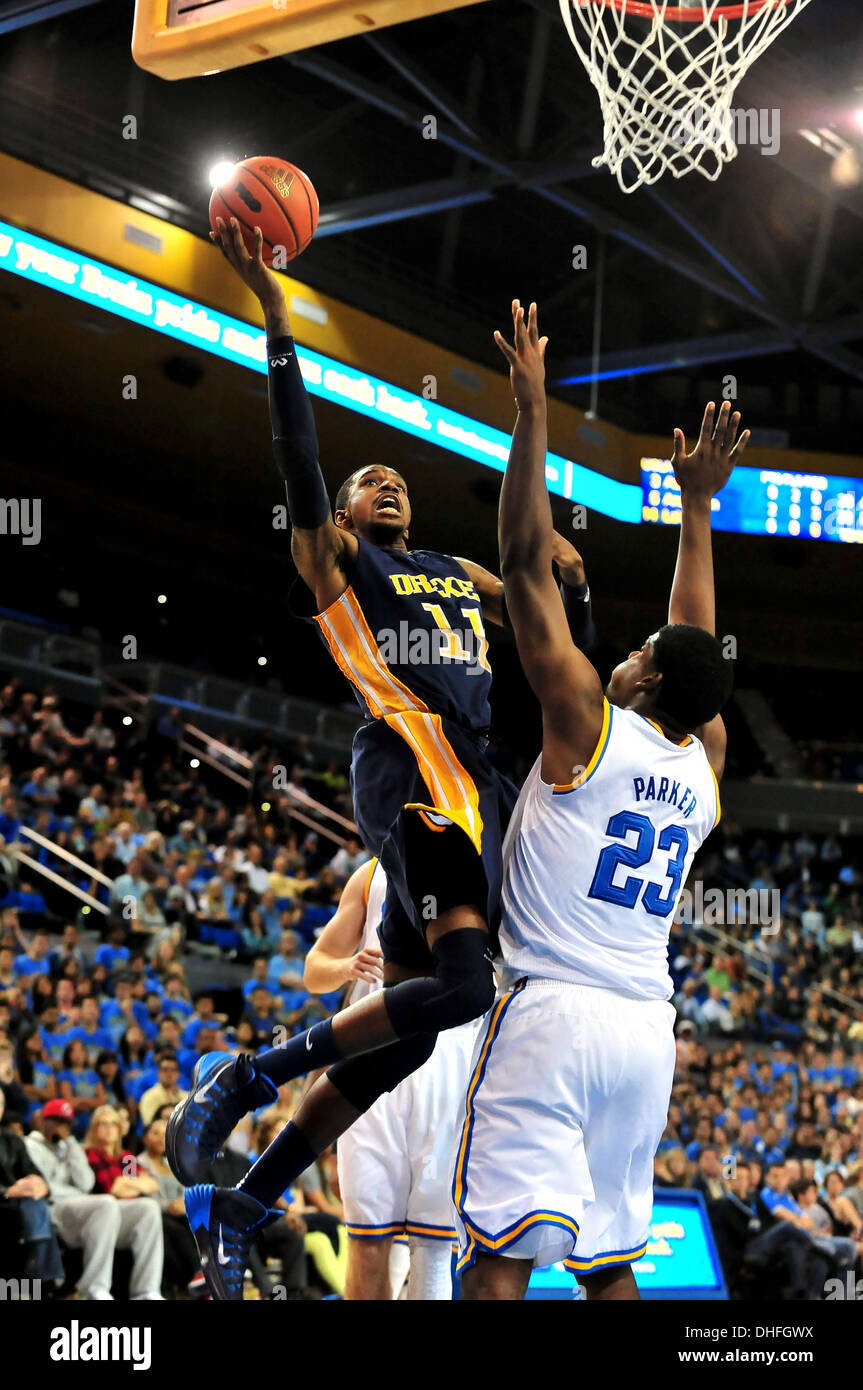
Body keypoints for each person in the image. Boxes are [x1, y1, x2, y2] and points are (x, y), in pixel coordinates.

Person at [167, 225, 595, 1299]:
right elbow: (298, 459)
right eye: (368, 480)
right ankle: (250, 1071)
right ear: (346, 515)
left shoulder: (451, 567)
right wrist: (275, 323)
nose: (385, 481)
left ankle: (244, 1198)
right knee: (459, 989)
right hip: (415, 771)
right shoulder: (338, 558)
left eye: (397, 476)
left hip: (484, 783)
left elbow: (529, 587)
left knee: (403, 1041)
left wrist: (569, 582)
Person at [454, 302, 744, 1301]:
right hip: (643, 1031)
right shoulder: (701, 763)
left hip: (555, 1012)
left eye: (631, 655)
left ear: (645, 683)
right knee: (610, 1266)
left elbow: (525, 563)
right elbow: (692, 644)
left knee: (495, 1258)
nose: (618, 654)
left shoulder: (585, 721)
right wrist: (694, 512)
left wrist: (528, 413)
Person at [304, 857, 479, 1299]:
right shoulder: (370, 874)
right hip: (373, 1050)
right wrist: (346, 968)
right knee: (366, 1239)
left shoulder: (484, 851)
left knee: (434, 1245)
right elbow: (313, 969)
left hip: (450, 1058)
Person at [25, 1098, 164, 1300]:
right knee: (106, 1202)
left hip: (97, 1209)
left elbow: (147, 1185)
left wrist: (130, 1184)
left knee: (149, 1207)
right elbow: (111, 1188)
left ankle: (147, 1291)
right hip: (64, 1208)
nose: (60, 1127)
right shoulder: (89, 1153)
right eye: (103, 1124)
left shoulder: (125, 1156)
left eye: (113, 1124)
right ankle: (93, 1289)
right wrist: (130, 1183)